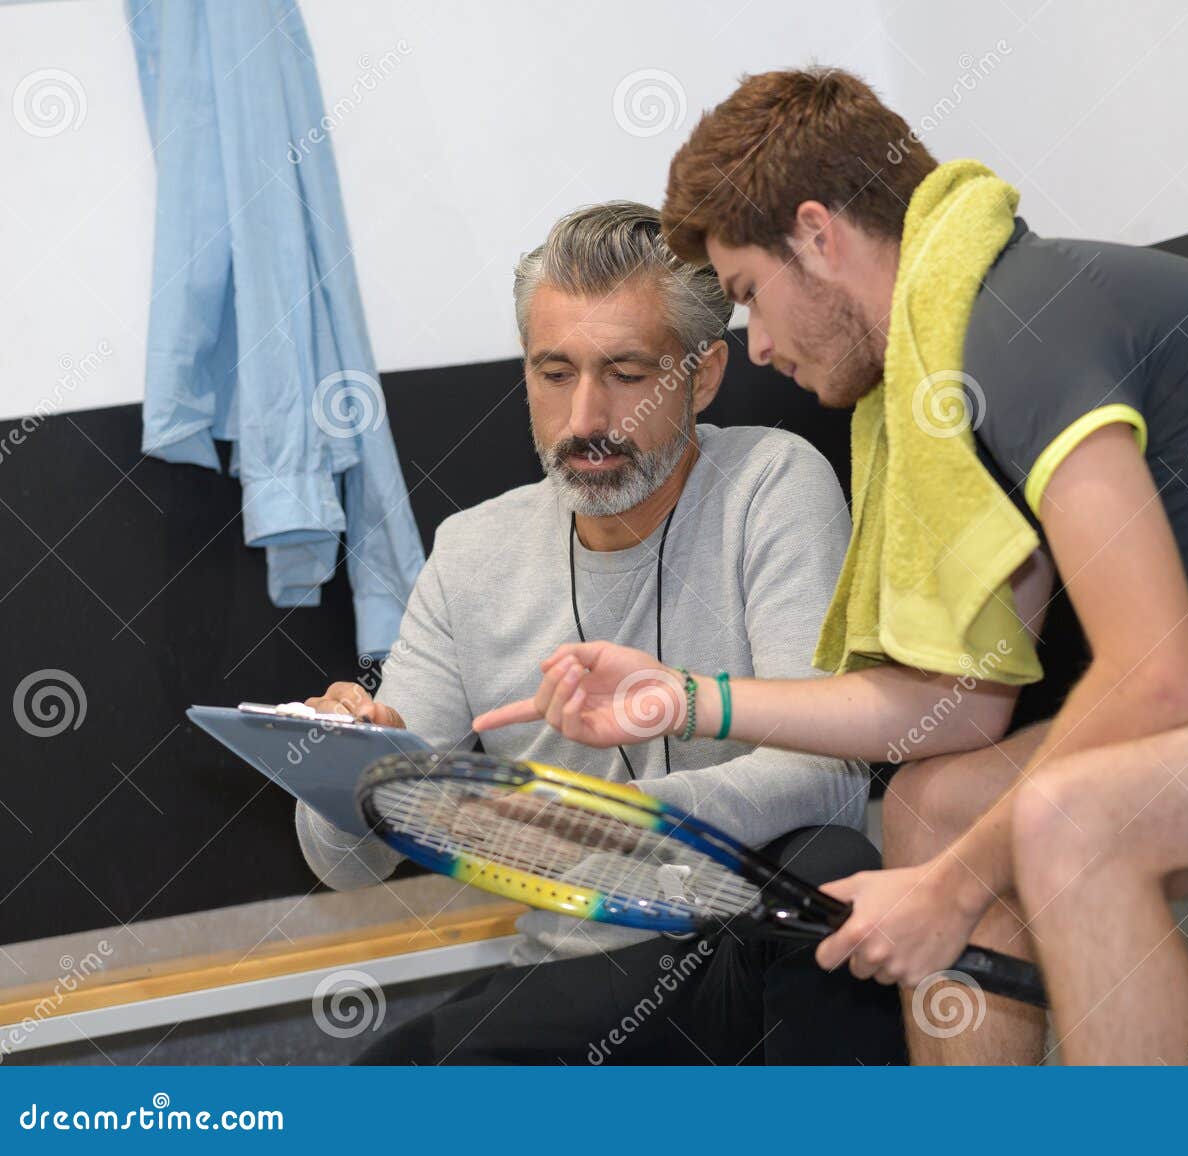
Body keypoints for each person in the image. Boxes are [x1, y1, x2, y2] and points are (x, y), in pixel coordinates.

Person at [476, 71, 1188, 1065]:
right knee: (933, 800)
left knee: (1072, 820)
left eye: (747, 292)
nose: (756, 344)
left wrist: (952, 888)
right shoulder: (952, 363)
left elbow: (1151, 679)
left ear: (817, 236)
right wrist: (682, 696)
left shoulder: (1022, 324)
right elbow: (952, 718)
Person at [294, 200, 904, 1065]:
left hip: (737, 945)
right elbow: (349, 866)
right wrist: (339, 770)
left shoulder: (772, 485)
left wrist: (609, 821)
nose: (585, 418)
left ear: (702, 376)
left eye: (625, 373)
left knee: (831, 867)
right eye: (554, 372)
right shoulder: (471, 552)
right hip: (573, 981)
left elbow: (828, 778)